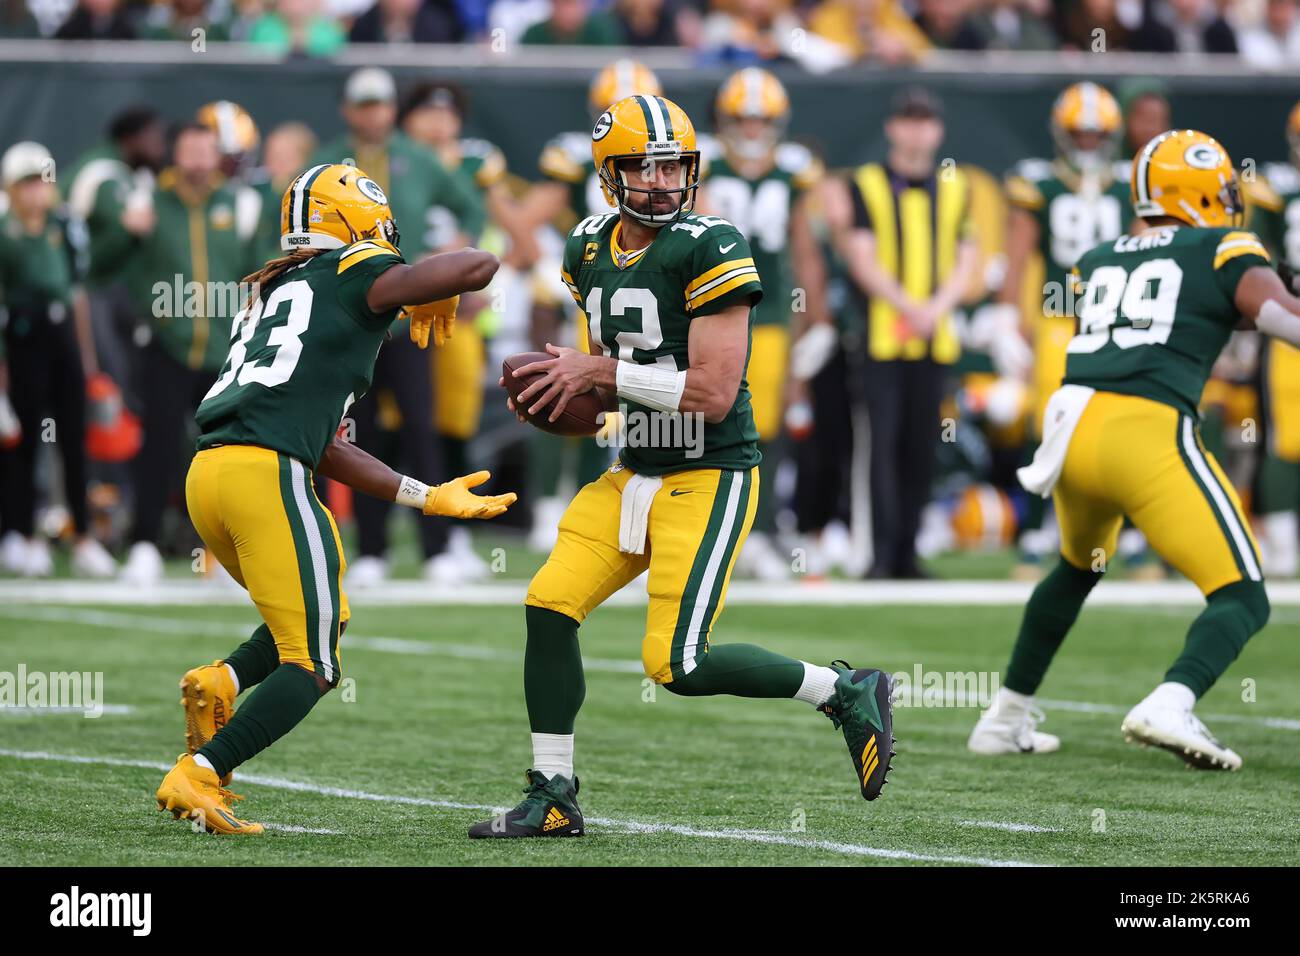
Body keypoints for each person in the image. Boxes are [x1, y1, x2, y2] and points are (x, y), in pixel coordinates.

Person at [468, 94, 894, 839]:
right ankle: (553, 792)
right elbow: (607, 373)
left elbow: (710, 391)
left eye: (675, 165)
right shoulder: (587, 248)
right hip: (634, 468)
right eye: (645, 166)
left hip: (711, 469)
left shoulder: (712, 244)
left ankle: (843, 690)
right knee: (547, 605)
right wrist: (566, 397)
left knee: (678, 663)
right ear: (608, 174)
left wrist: (596, 374)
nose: (663, 180)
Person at [154, 163, 514, 834]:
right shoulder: (352, 271)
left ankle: (223, 684)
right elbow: (480, 262)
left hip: (212, 476)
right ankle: (201, 772)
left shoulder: (277, 289)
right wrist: (430, 289)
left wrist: (426, 497)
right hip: (265, 477)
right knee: (314, 663)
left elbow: (328, 445)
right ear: (350, 220)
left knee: (325, 615)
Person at [970, 130, 1288, 770]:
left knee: (1076, 568)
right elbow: (1274, 315)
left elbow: (1189, 302)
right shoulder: (1223, 245)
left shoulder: (1099, 256)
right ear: (1195, 190)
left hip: (1073, 430)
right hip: (1145, 432)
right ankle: (1171, 701)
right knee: (1243, 595)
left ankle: (1003, 717)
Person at [313, 67, 487, 586]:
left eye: (381, 105)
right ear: (349, 110)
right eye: (364, 105)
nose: (373, 115)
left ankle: (435, 549)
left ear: (392, 110)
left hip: (410, 313)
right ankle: (372, 549)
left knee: (420, 424)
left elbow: (470, 206)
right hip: (350, 318)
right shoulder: (323, 161)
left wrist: (448, 251)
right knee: (361, 432)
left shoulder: (417, 158)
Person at [838, 87, 979, 578]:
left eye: (926, 121)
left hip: (934, 336)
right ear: (893, 127)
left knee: (922, 446)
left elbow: (967, 257)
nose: (918, 130)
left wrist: (935, 308)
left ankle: (908, 552)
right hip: (884, 334)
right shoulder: (869, 183)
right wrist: (907, 305)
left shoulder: (956, 187)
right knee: (882, 445)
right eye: (910, 120)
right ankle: (879, 555)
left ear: (937, 130)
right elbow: (860, 255)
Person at [118, 122, 263, 585]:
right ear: (175, 154)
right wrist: (129, 234)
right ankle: (144, 543)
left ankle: (223, 553)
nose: (198, 160)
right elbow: (106, 264)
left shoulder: (240, 203)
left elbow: (258, 271)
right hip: (167, 345)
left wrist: (250, 328)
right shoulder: (150, 203)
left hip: (226, 349)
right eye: (189, 150)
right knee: (158, 446)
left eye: (206, 150)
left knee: (229, 455)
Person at [998, 82, 1132, 578]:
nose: (1090, 142)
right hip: (1059, 318)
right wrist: (1006, 317)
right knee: (1050, 423)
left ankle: (1126, 532)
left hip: (1117, 316)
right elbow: (1018, 254)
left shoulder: (1126, 185)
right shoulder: (1042, 183)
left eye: (1098, 134)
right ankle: (1036, 531)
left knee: (1120, 422)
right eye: (1082, 133)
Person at [701, 67, 827, 580]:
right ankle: (706, 526)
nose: (752, 131)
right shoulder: (703, 167)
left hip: (769, 313)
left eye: (762, 121)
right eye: (743, 120)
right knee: (705, 416)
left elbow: (805, 251)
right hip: (711, 311)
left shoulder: (793, 172)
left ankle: (763, 529)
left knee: (766, 428)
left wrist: (816, 317)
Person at [0, 142, 116, 578]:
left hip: (61, 336)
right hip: (23, 338)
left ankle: (82, 535)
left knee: (72, 439)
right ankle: (24, 534)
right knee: (25, 442)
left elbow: (77, 292)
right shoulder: (5, 233)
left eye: (40, 181)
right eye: (27, 183)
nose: (36, 192)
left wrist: (87, 360)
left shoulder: (64, 226)